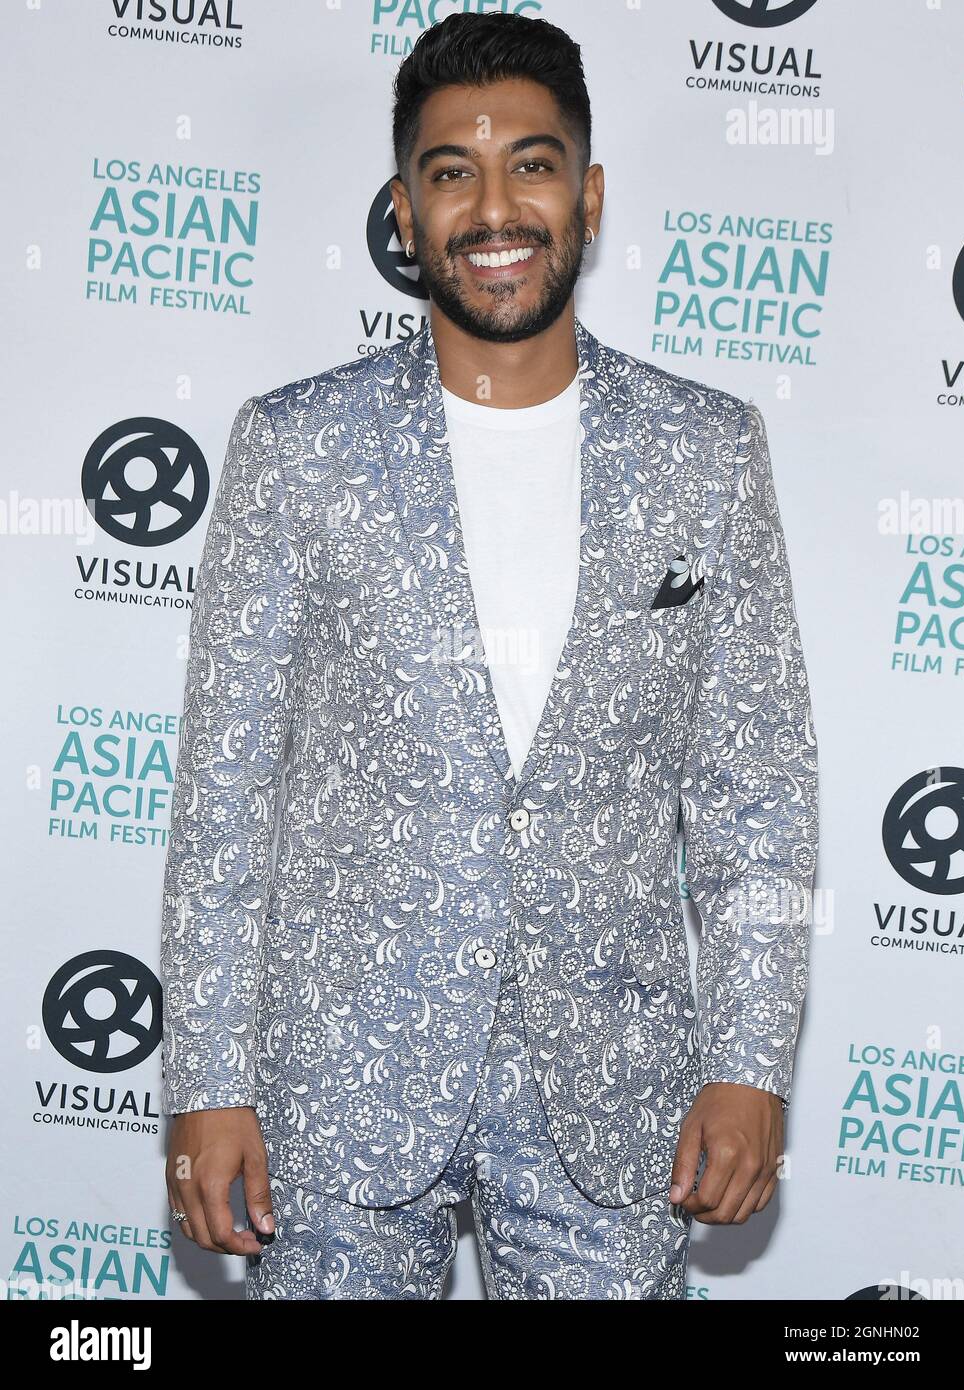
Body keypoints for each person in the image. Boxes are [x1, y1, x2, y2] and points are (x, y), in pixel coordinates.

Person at [159, 10, 818, 1301]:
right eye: (451, 171)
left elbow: (757, 792)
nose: (493, 204)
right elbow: (223, 793)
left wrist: (750, 1059)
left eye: (532, 160)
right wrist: (207, 1080)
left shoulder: (707, 449)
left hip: (614, 1090)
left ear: (589, 192)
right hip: (334, 1086)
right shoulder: (298, 446)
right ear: (403, 210)